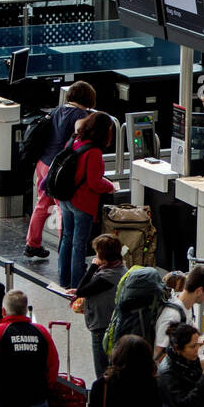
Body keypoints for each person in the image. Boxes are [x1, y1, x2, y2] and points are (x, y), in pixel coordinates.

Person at [26, 81, 96, 259]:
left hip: (43, 164)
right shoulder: (80, 114)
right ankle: (64, 247)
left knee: (42, 203)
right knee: (62, 208)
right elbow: (79, 132)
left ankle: (32, 243)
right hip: (58, 168)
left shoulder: (56, 110)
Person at [58, 112, 117, 291]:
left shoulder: (74, 140)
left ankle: (64, 279)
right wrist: (111, 186)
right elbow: (94, 182)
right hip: (82, 202)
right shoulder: (94, 151)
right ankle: (77, 284)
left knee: (66, 238)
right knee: (79, 243)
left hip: (66, 196)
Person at [68, 234, 127, 379]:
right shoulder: (120, 268)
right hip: (112, 323)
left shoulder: (107, 275)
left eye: (97, 253)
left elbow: (82, 289)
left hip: (101, 326)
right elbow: (90, 288)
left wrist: (93, 266)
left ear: (103, 256)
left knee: (102, 371)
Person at [153, 264, 204, 360]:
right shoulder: (172, 316)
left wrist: (199, 342)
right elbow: (159, 355)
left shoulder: (186, 309)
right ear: (199, 291)